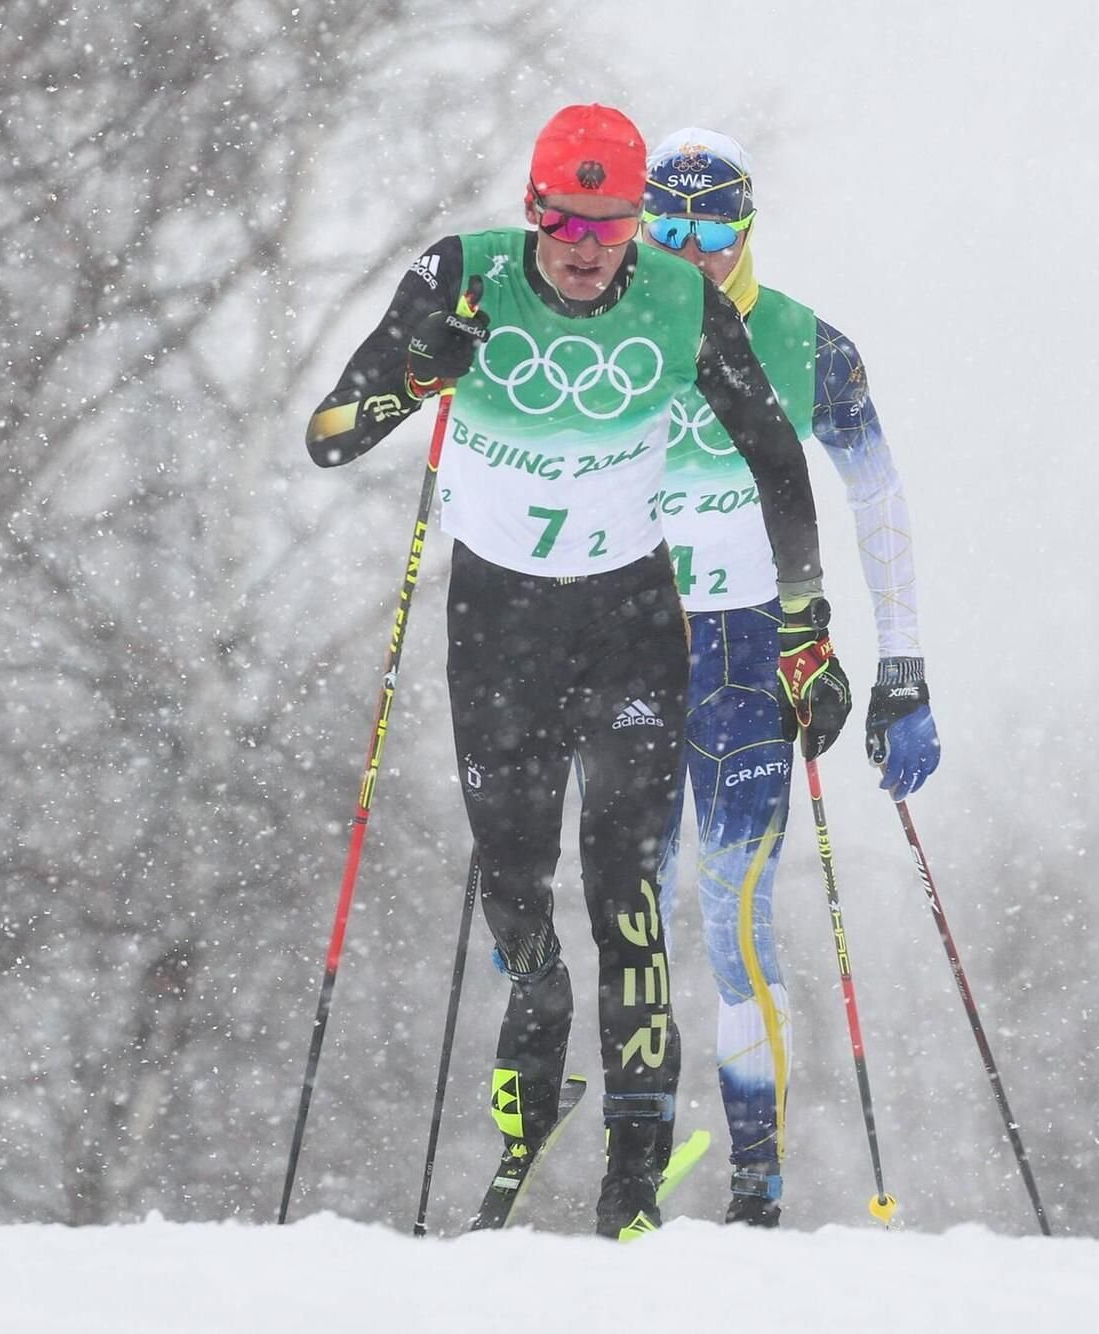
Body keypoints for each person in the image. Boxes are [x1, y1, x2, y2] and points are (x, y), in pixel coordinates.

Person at [304, 105, 850, 1239]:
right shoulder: (462, 275)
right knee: (512, 880)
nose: (590, 246)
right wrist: (417, 373)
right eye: (569, 222)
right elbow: (330, 433)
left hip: (629, 619)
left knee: (627, 891)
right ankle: (536, 1000)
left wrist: (803, 621)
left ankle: (632, 1177)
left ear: (634, 223)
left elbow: (773, 453)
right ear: (533, 213)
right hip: (499, 622)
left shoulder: (678, 300)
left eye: (612, 224)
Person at [642, 128, 942, 1228]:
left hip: (744, 645)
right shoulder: (606, 329)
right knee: (620, 906)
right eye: (666, 227)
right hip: (625, 637)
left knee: (731, 920)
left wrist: (898, 664)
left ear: (746, 225)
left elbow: (878, 499)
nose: (691, 250)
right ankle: (635, 1140)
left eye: (713, 226)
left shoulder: (805, 344)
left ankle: (752, 1178)